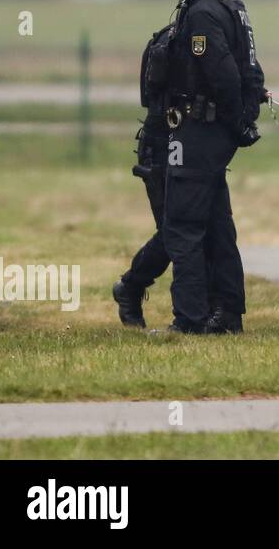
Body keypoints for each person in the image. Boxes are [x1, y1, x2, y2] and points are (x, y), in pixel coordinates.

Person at [159, 0, 267, 333]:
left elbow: (223, 75)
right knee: (218, 224)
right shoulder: (232, 8)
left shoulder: (202, 15)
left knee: (183, 226)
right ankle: (227, 314)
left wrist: (237, 121)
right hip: (215, 134)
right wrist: (242, 122)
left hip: (200, 133)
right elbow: (252, 71)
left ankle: (189, 318)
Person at [112, 22, 176, 328]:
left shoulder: (166, 37)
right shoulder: (171, 41)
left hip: (178, 145)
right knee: (173, 232)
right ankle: (131, 286)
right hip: (160, 147)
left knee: (190, 229)